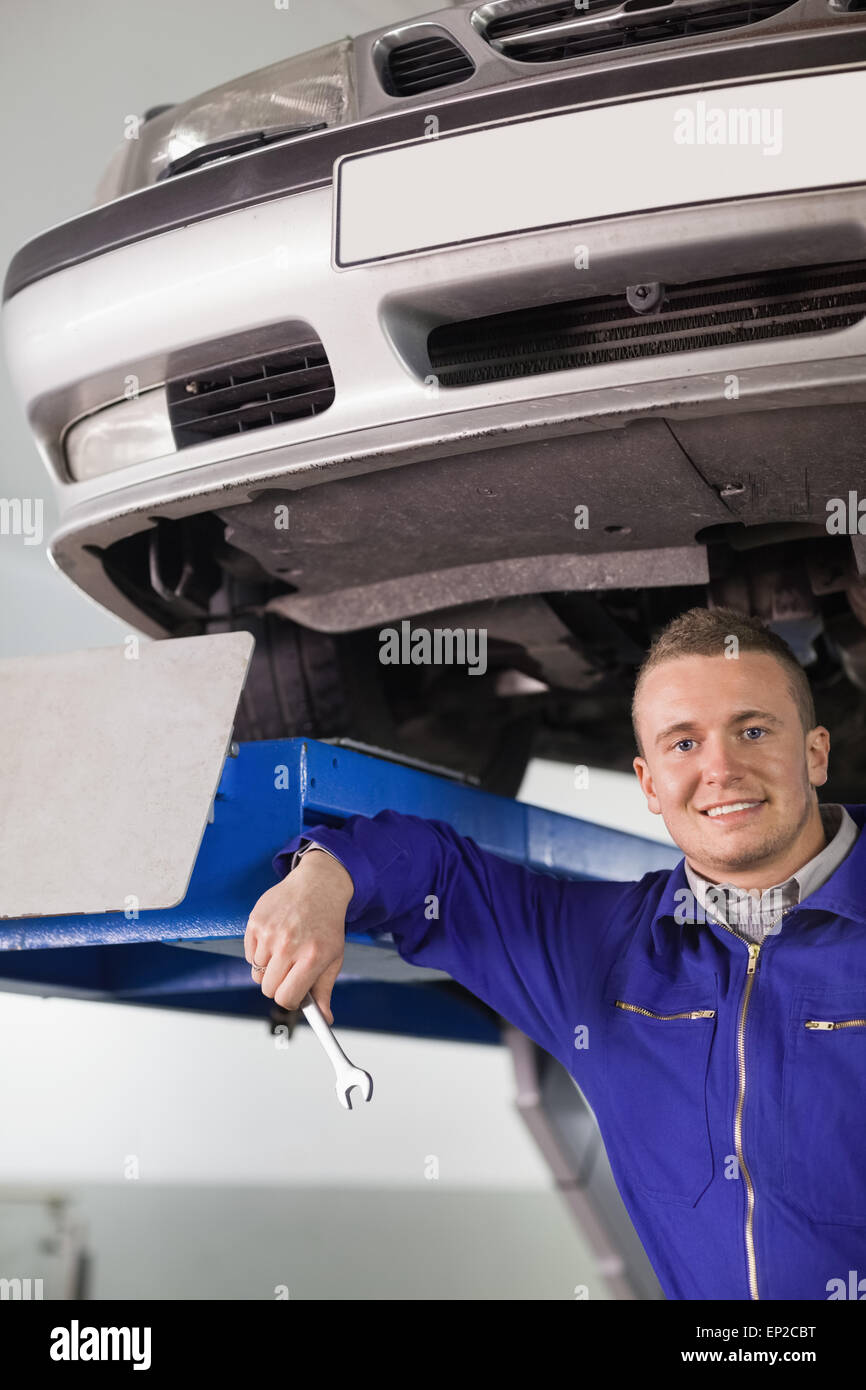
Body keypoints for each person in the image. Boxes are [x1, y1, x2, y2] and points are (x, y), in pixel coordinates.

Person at [244, 606, 866, 1301]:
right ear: (650, 783)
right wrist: (327, 874)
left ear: (816, 751)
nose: (719, 769)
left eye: (752, 730)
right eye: (683, 745)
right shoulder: (600, 957)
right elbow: (439, 873)